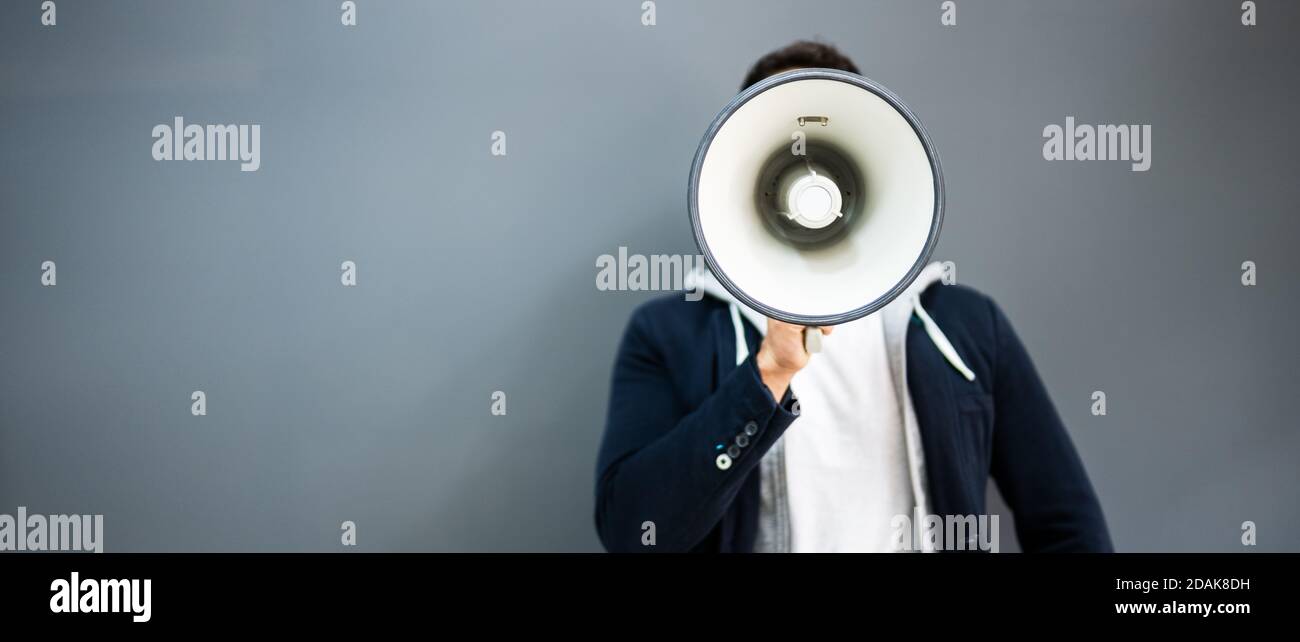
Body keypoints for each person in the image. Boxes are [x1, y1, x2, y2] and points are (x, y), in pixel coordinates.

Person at [594, 41, 1112, 553]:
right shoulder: (669, 332)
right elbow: (633, 531)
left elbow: (1065, 520)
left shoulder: (964, 324)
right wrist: (767, 374)